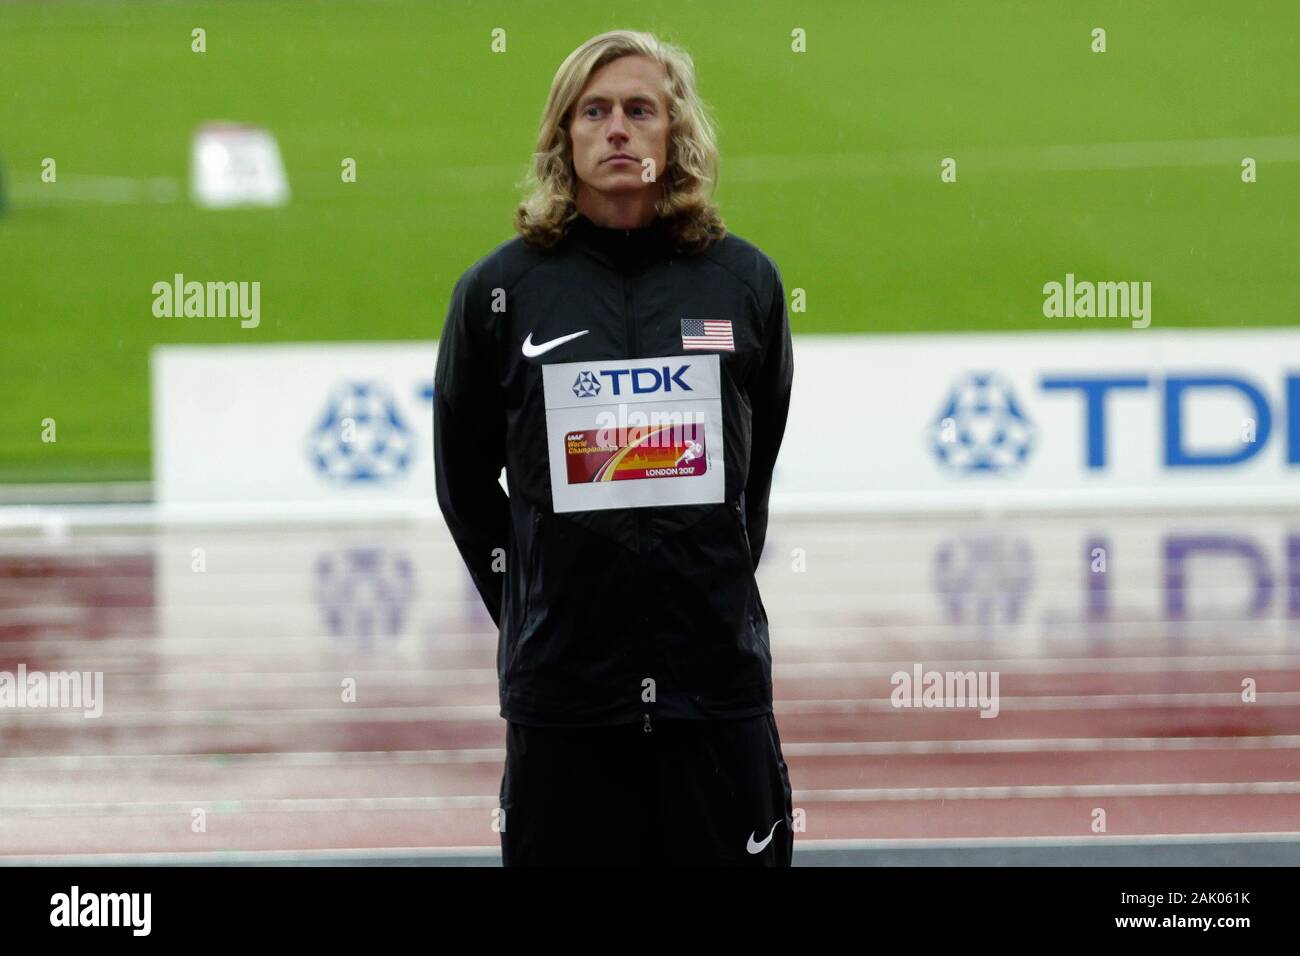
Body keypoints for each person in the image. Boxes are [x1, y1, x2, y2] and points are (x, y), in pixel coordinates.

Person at [433, 29, 795, 866]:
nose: (618, 130)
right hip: (565, 699)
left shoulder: (745, 283)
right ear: (564, 137)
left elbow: (757, 473)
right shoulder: (499, 292)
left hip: (715, 692)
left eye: (641, 110)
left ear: (678, 134)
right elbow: (462, 482)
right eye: (594, 112)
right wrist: (533, 607)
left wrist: (710, 597)